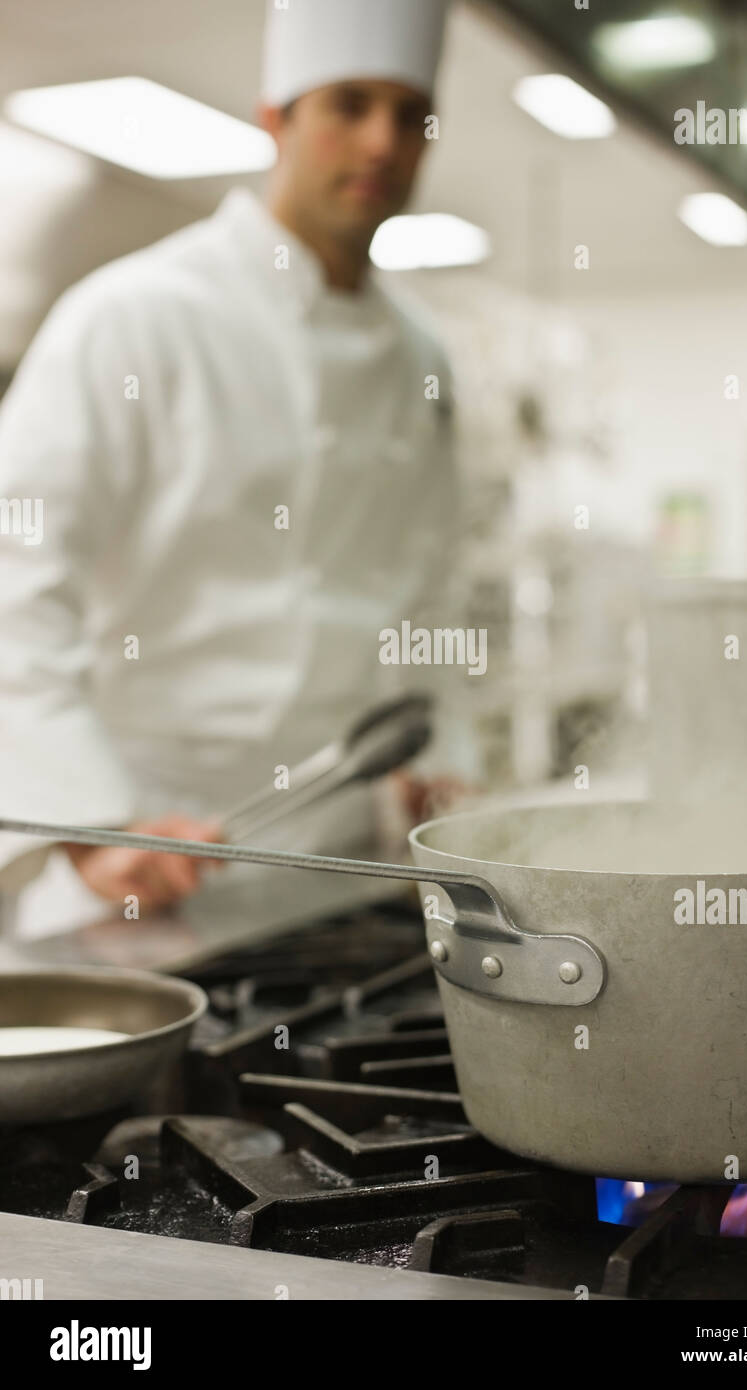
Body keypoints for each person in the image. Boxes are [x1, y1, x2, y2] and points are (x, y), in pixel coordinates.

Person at [0, 0, 457, 937]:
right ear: (275, 116)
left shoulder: (423, 358)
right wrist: (88, 824)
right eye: (351, 103)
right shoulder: (136, 316)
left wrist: (419, 762)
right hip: (146, 861)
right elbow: (15, 573)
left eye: (411, 115)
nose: (382, 141)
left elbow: (425, 592)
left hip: (337, 869)